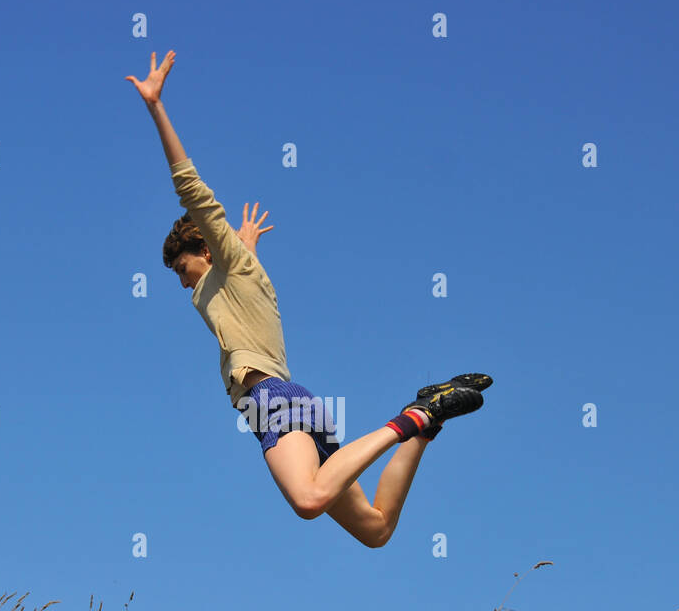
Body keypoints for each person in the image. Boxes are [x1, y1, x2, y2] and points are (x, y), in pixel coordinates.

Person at [126, 50, 491, 548]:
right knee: (377, 528)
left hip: (274, 401)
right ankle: (427, 417)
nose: (184, 285)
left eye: (184, 270)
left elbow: (191, 190)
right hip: (286, 408)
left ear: (207, 250)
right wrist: (247, 246)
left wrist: (156, 108)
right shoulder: (234, 276)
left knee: (309, 501)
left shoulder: (230, 262)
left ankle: (413, 420)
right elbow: (231, 282)